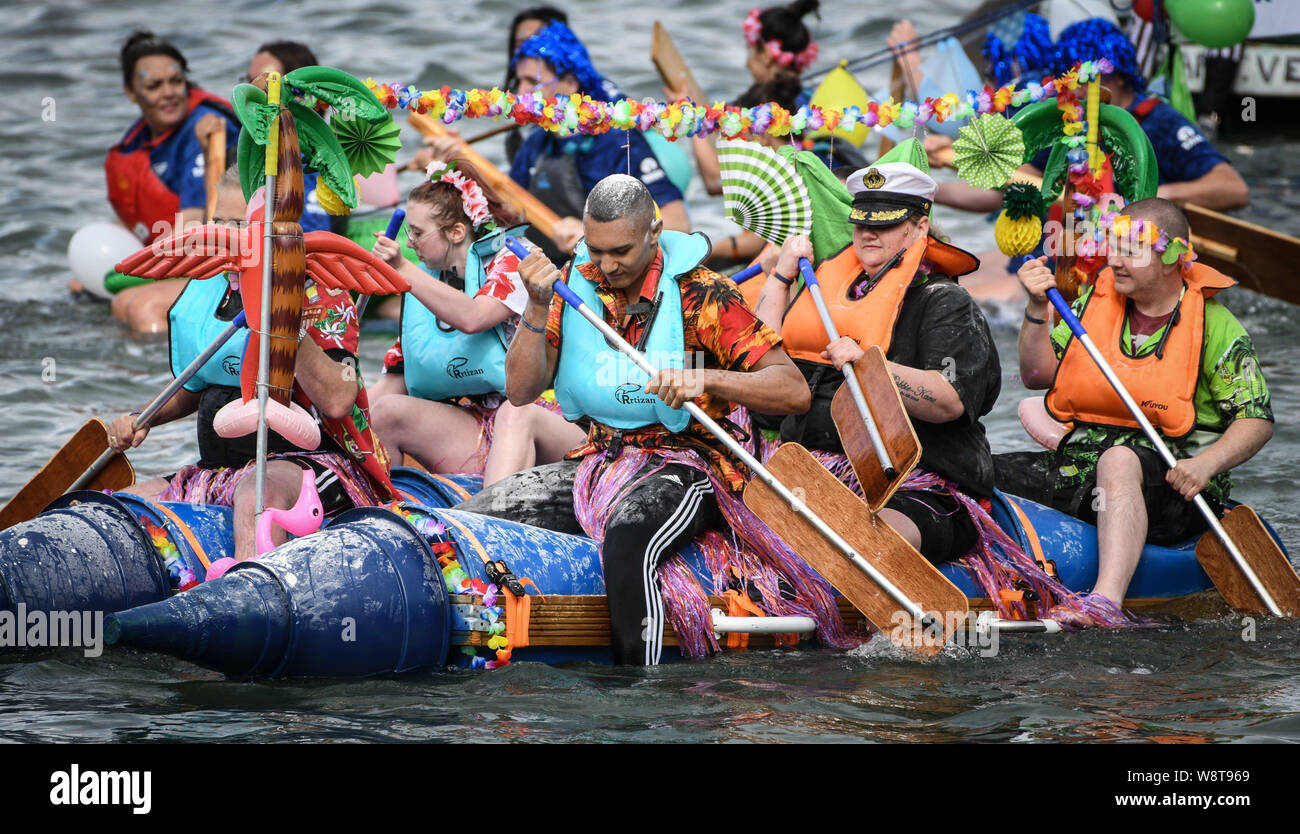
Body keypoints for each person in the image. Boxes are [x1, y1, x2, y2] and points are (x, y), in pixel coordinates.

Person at [457, 174, 851, 666]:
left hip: (693, 464)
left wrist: (705, 380)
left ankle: (640, 692)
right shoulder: (573, 284)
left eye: (620, 251)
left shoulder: (704, 295)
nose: (606, 265)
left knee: (628, 538)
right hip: (602, 459)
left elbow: (791, 390)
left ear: (655, 231)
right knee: (478, 514)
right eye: (596, 250)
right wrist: (535, 307)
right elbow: (519, 391)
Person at [995, 197, 1273, 613]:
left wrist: (1205, 466)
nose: (1116, 260)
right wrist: (1037, 308)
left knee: (1120, 458)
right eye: (1114, 246)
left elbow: (1256, 420)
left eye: (1131, 250)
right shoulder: (1095, 301)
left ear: (1172, 255)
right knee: (976, 466)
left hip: (1176, 490)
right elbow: (1039, 376)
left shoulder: (1215, 325)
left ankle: (1106, 602)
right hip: (1082, 472)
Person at [106, 167, 395, 564]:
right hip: (216, 470)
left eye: (239, 225)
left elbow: (339, 399)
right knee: (123, 508)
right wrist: (143, 418)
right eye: (219, 223)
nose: (227, 238)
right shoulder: (210, 286)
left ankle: (248, 596)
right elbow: (198, 385)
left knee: (255, 497)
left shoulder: (318, 291)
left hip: (307, 467)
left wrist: (283, 315)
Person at [752, 161, 1002, 568]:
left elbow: (948, 400)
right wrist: (780, 277)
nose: (868, 233)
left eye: (885, 224)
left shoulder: (944, 302)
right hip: (821, 470)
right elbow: (758, 359)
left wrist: (872, 367)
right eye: (861, 223)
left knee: (862, 539)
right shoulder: (829, 291)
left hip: (923, 486)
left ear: (920, 227)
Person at [368, 159, 585, 484]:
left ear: (456, 232)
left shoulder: (515, 256)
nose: (410, 243)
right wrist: (330, 424)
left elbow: (474, 316)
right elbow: (397, 376)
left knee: (514, 413)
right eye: (407, 233)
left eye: (417, 233)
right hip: (479, 425)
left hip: (546, 420)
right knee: (385, 412)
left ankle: (491, 525)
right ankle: (389, 515)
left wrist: (401, 268)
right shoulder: (427, 283)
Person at [508, 22, 689, 259]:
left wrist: (590, 235)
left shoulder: (617, 143)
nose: (520, 92)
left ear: (571, 84)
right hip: (549, 274)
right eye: (519, 81)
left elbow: (679, 224)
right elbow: (507, 208)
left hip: (605, 280)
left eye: (532, 82)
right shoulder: (536, 142)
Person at [104, 30, 240, 333]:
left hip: (216, 261)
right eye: (154, 85)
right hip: (175, 254)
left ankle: (167, 375)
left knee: (139, 306)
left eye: (176, 82)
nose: (168, 92)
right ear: (130, 92)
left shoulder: (207, 128)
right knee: (90, 291)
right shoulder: (136, 140)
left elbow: (190, 230)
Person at [243, 40, 332, 235]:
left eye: (266, 87)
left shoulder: (320, 163)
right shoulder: (238, 150)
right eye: (249, 82)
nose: (251, 95)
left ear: (300, 97)